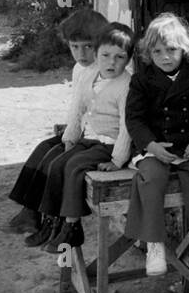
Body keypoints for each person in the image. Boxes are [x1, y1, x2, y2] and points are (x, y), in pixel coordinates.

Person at [124, 14, 189, 276]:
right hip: (155, 148)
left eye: (171, 50)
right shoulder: (141, 80)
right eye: (157, 51)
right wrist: (151, 146)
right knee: (152, 179)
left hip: (188, 146)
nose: (165, 57)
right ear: (149, 53)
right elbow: (134, 120)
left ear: (184, 49)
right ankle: (154, 245)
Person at [26, 22, 135, 253]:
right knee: (57, 163)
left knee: (74, 166)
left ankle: (72, 226)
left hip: (109, 144)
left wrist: (117, 160)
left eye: (119, 57)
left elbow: (128, 126)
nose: (111, 62)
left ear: (128, 60)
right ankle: (52, 221)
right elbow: (77, 108)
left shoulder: (126, 85)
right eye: (105, 55)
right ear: (97, 54)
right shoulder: (90, 76)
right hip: (90, 138)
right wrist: (70, 138)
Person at [4, 7, 109, 234]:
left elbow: (81, 111)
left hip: (96, 136)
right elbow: (74, 110)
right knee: (42, 149)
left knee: (55, 161)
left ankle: (54, 220)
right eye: (75, 47)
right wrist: (68, 135)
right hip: (81, 131)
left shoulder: (102, 69)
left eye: (88, 46)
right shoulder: (79, 69)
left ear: (102, 43)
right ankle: (30, 210)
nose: (81, 54)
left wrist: (70, 140)